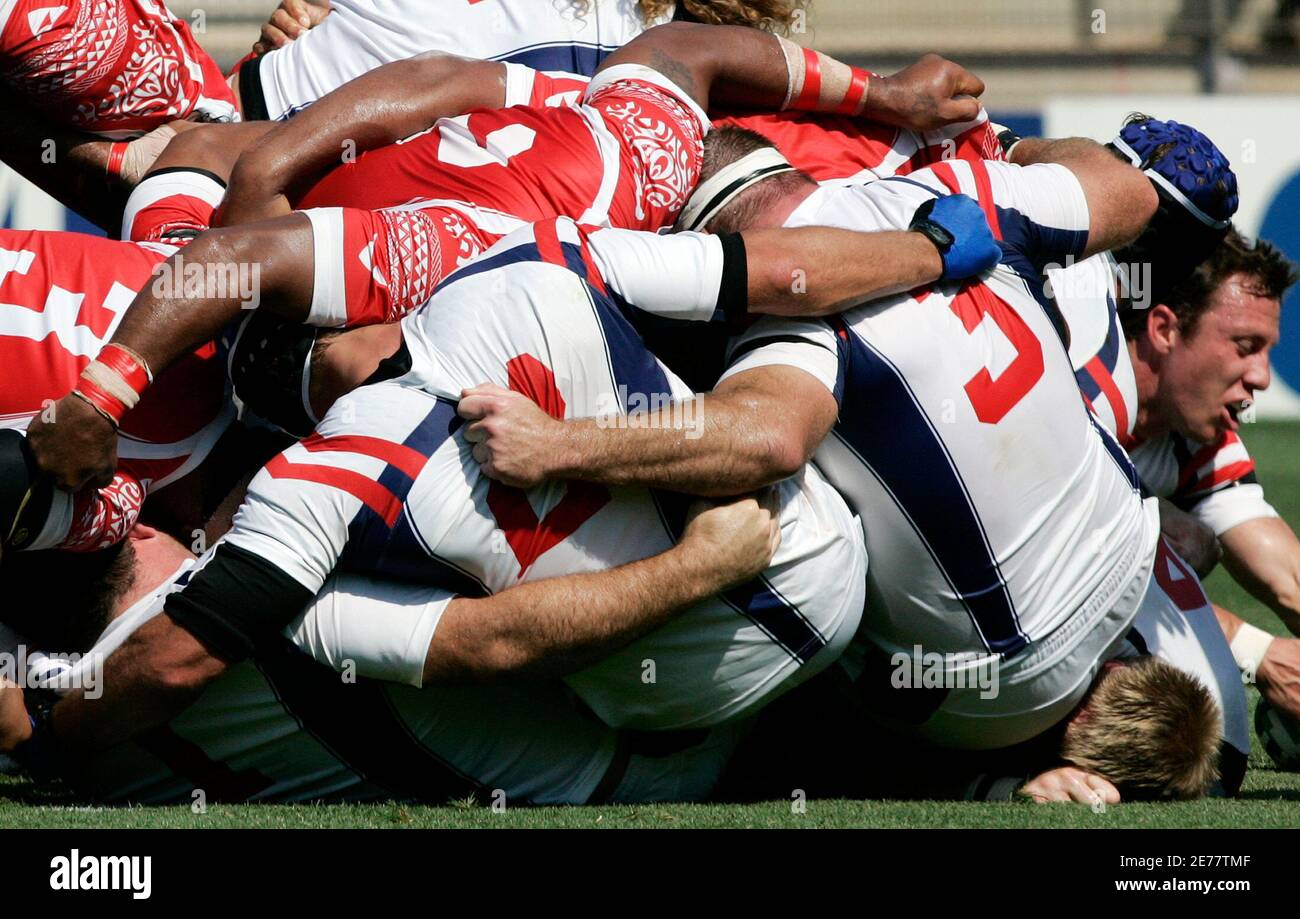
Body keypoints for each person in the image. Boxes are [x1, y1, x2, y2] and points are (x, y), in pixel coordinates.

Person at [0, 497, 775, 804]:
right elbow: (496, 641)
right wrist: (701, 562)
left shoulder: (46, 705)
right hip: (649, 769)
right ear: (135, 527)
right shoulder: (271, 606)